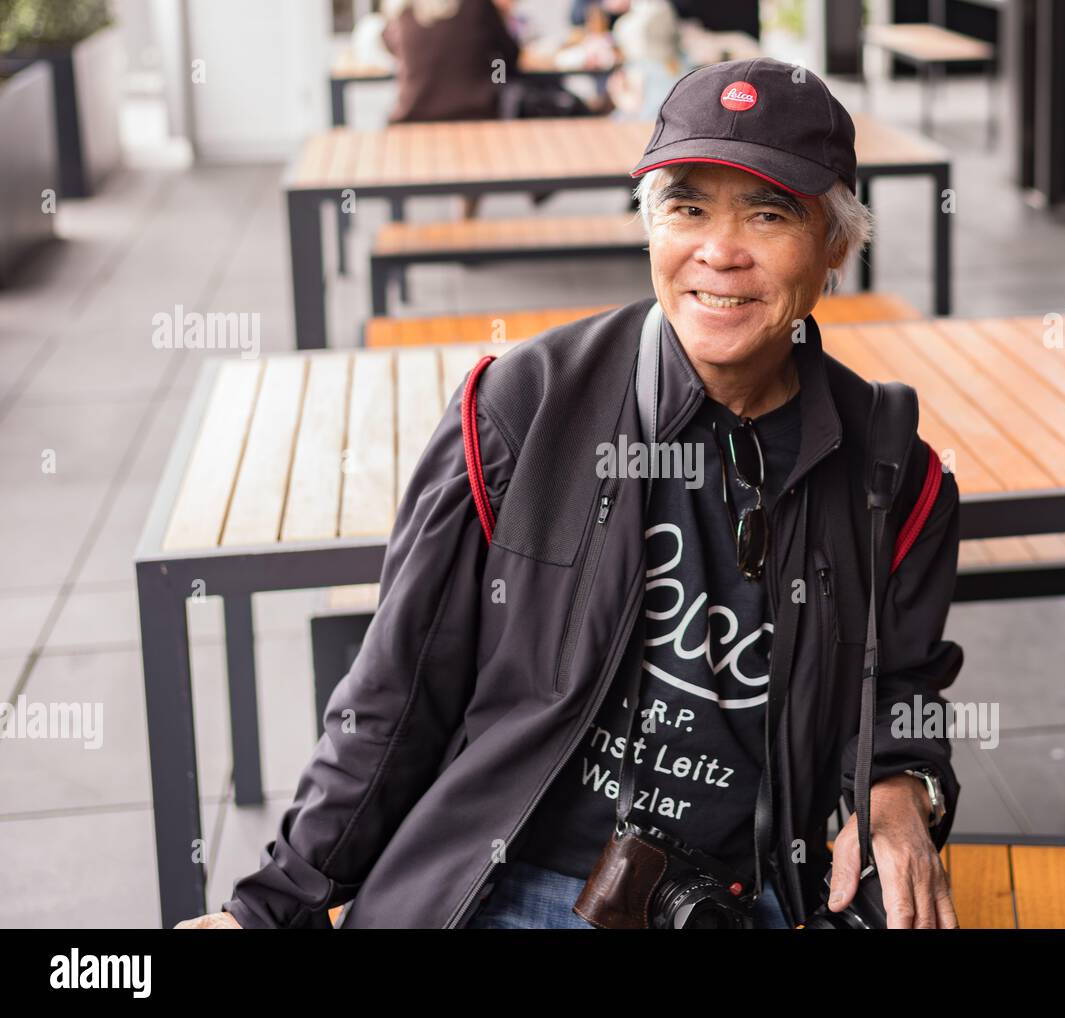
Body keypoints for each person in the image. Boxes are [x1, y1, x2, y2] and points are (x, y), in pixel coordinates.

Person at [177, 57, 963, 931]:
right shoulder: (519, 411)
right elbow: (397, 693)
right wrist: (269, 907)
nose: (719, 251)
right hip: (507, 881)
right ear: (649, 229)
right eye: (687, 207)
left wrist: (901, 783)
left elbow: (904, 681)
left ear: (835, 249)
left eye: (769, 214)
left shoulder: (897, 474)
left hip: (742, 895)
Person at [380, 0, 521, 219]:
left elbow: (389, 44)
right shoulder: (479, 7)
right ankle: (467, 219)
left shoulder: (402, 12)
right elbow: (510, 53)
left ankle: (401, 224)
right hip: (473, 116)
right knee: (478, 143)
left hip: (412, 119)